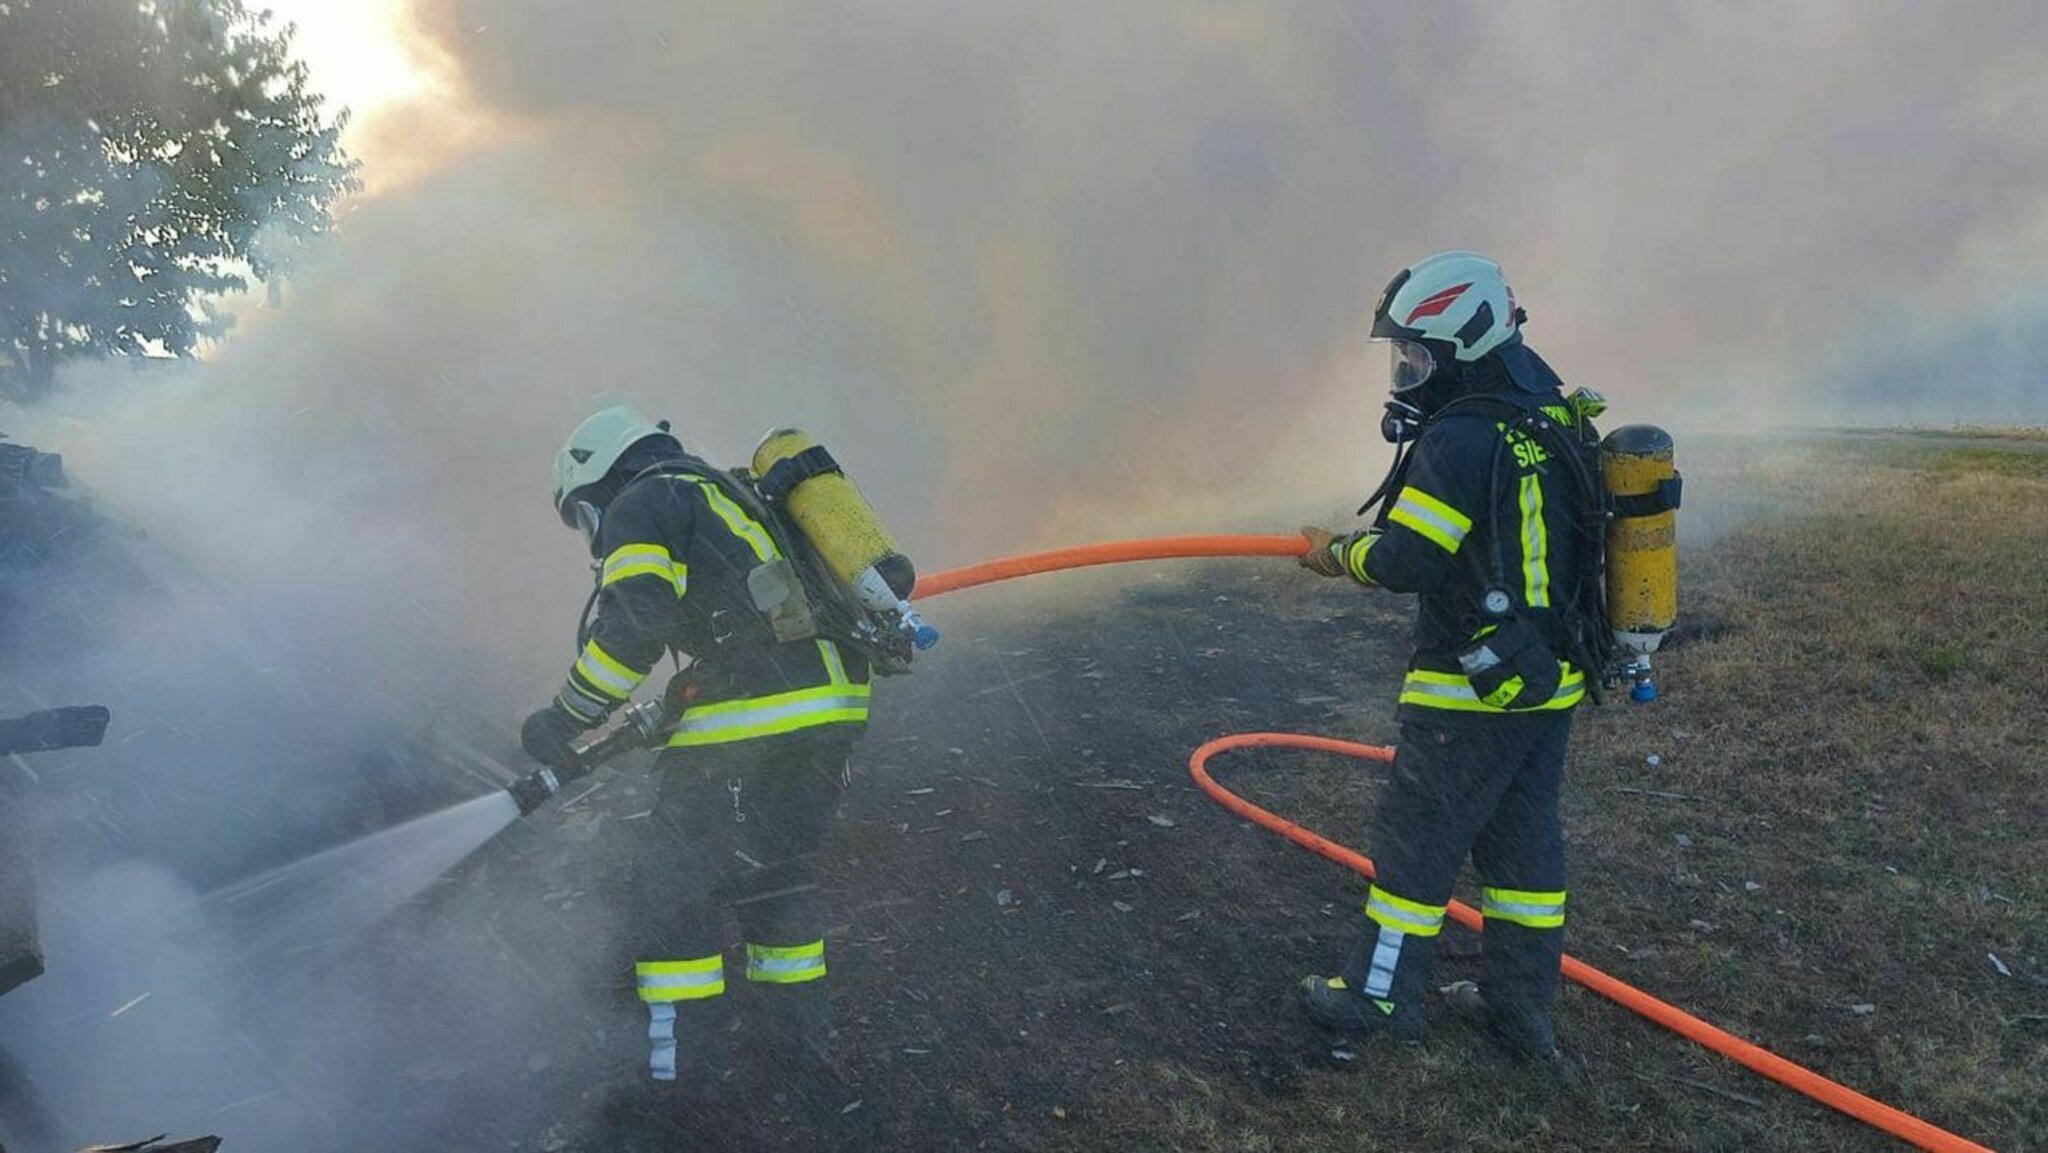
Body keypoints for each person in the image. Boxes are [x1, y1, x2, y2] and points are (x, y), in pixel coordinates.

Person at [1296, 251, 1608, 1063]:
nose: (1406, 373)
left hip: (1469, 689)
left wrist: (1335, 553)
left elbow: (1408, 560)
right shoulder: (1553, 413)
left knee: (1415, 848)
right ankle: (1518, 1010)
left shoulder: (1463, 435)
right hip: (1549, 682)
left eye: (1418, 354)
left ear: (1463, 344)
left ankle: (1377, 995)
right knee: (1524, 857)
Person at [521, 406, 873, 1101]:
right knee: (778, 880)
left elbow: (632, 627)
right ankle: (793, 1059)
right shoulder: (721, 490)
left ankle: (679, 1083)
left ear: (599, 475)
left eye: (583, 517)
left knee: (671, 892)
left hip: (753, 719)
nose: (593, 534)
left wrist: (564, 717)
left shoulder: (643, 499)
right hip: (829, 707)